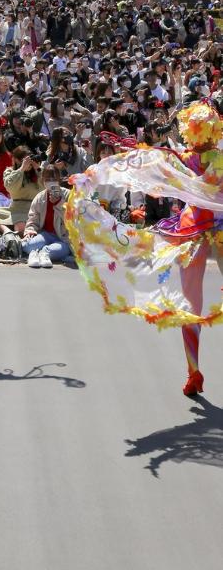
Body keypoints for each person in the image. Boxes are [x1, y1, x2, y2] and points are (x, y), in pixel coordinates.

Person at [66, 99, 223, 398]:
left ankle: (193, 371)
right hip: (201, 227)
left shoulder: (183, 159)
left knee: (191, 304)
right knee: (190, 304)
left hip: (194, 227)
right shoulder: (192, 158)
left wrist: (91, 176)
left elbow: (140, 165)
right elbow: (143, 164)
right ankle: (192, 371)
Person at [21, 165, 72, 268]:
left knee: (64, 249)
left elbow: (72, 219)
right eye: (48, 180)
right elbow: (33, 218)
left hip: (63, 238)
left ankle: (42, 253)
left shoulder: (68, 195)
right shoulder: (40, 197)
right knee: (26, 245)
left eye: (54, 179)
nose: (51, 182)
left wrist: (58, 203)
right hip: (46, 235)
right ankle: (34, 252)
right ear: (43, 181)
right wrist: (30, 231)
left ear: (59, 180)